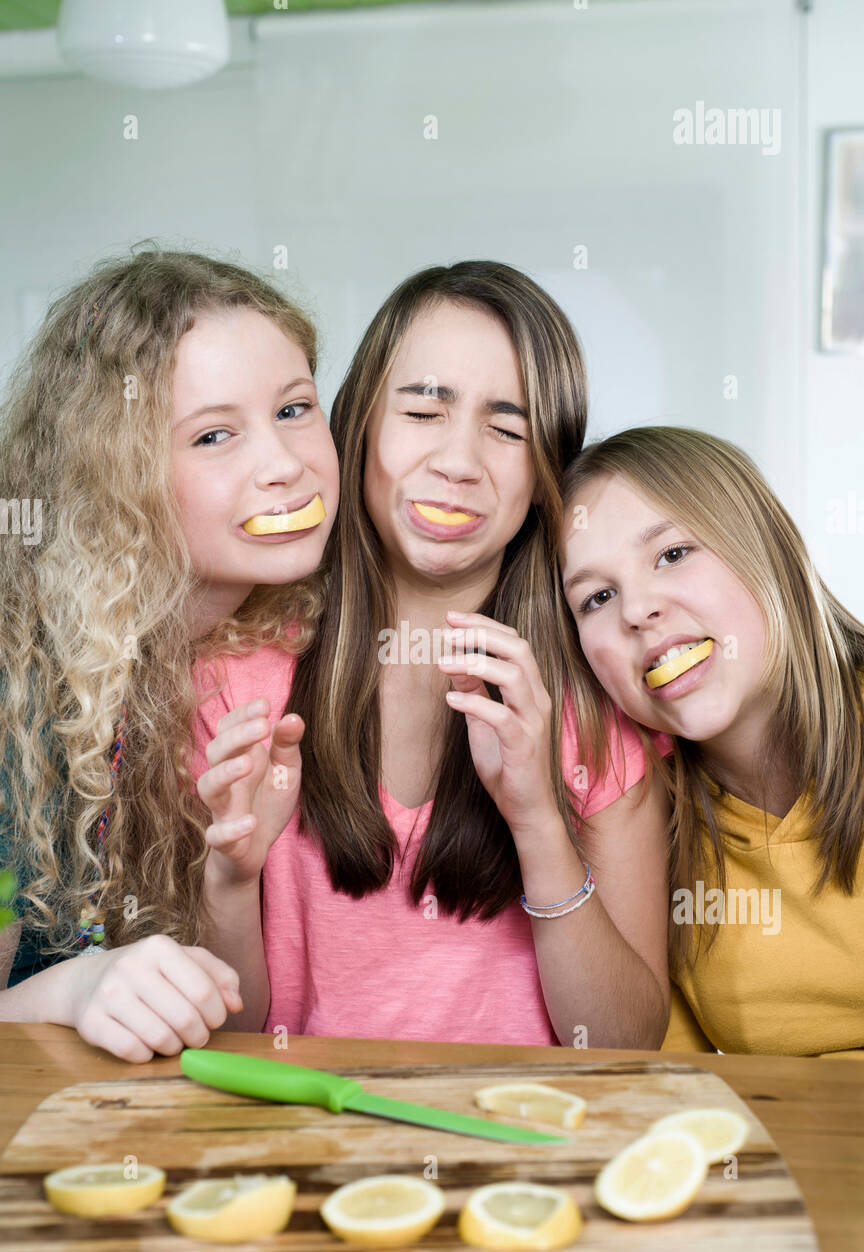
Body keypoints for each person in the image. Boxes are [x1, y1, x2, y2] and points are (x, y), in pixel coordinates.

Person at [193, 262, 672, 1048]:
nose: (460, 461)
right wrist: (231, 879)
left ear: (542, 477)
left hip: (525, 1152)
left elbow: (625, 1043)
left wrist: (539, 824)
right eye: (423, 411)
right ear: (360, 428)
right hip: (319, 1150)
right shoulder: (237, 685)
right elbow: (233, 1031)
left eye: (507, 430)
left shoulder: (592, 708)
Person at [0, 244, 339, 1062]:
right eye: (216, 435)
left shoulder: (264, 651)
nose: (285, 467)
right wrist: (66, 990)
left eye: (294, 410)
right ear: (112, 474)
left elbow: (227, 1026)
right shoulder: (21, 687)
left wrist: (231, 880)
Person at [559, 424, 864, 1057]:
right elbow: (675, 1090)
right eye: (598, 596)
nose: (637, 610)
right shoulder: (639, 829)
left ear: (767, 545)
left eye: (671, 554)